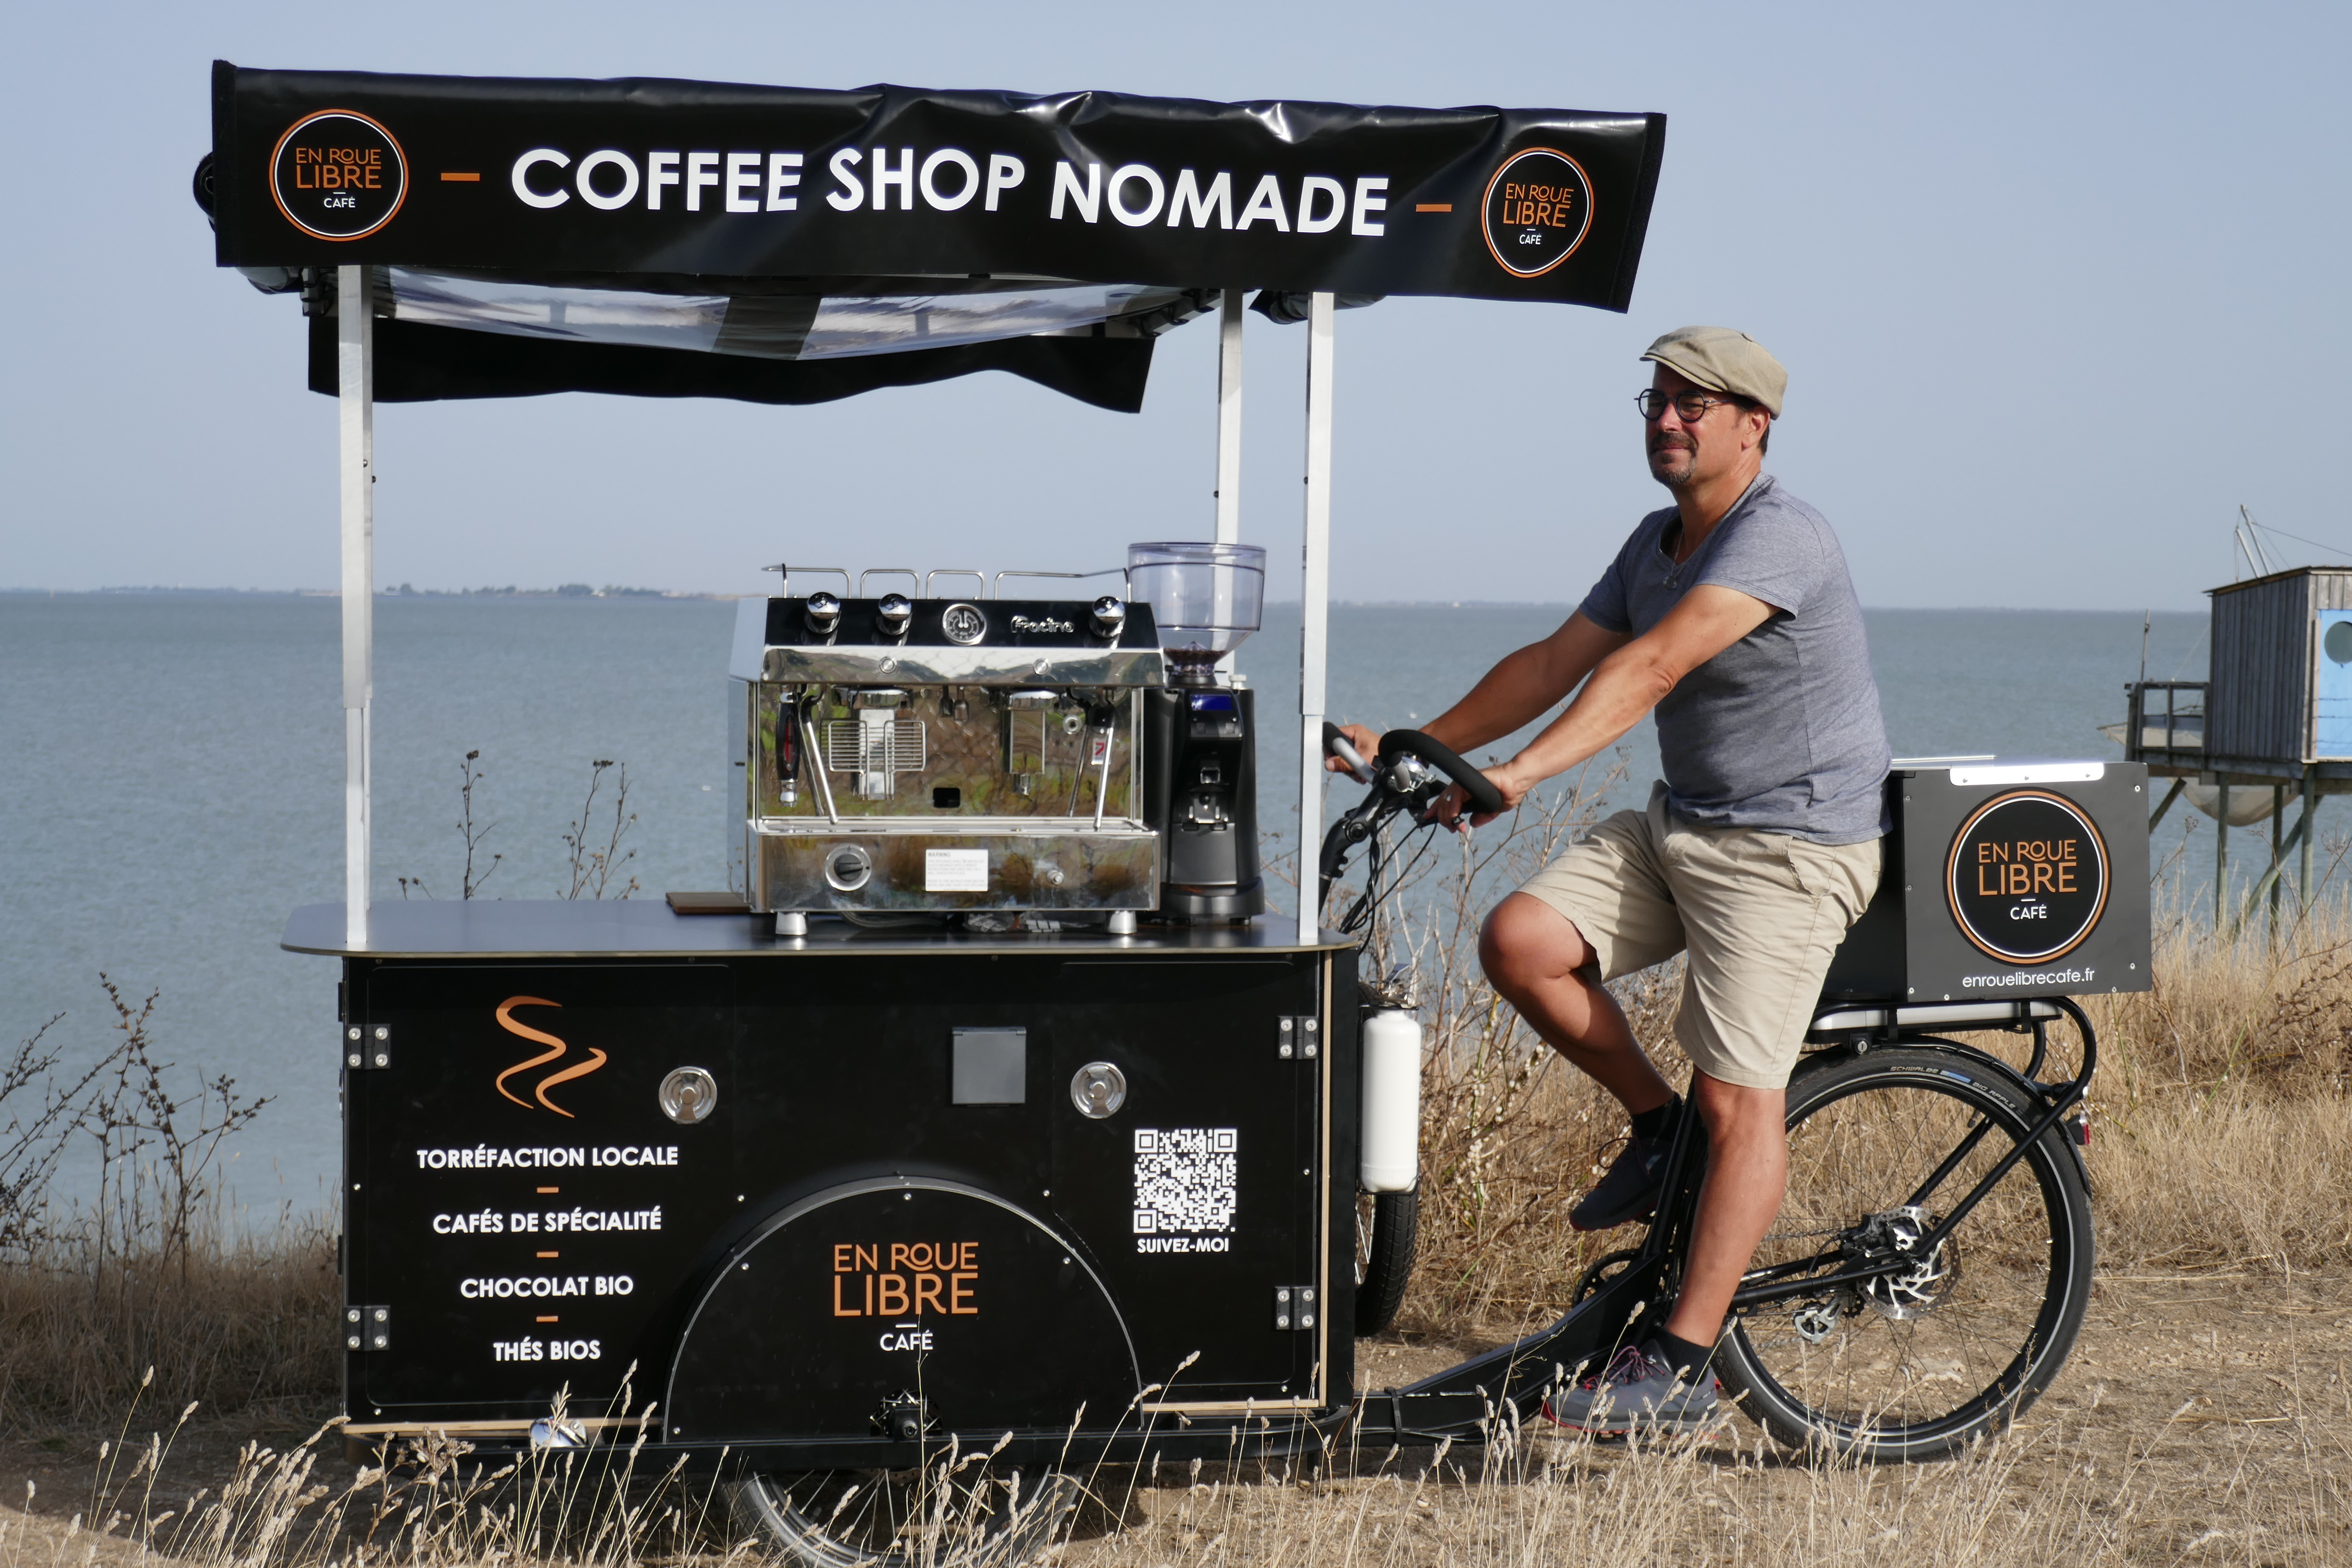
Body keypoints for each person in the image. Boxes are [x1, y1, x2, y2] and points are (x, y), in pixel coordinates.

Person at [1328, 326, 1889, 1432]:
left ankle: (1681, 1368)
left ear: (1753, 427)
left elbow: (1656, 663)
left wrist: (1524, 774)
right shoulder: (1655, 541)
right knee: (1521, 941)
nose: (1668, 421)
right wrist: (1419, 749)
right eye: (1657, 400)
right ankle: (1652, 1126)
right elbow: (1554, 660)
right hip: (1687, 827)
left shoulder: (1785, 539)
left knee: (1740, 1099)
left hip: (1791, 847)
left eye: (1696, 404)